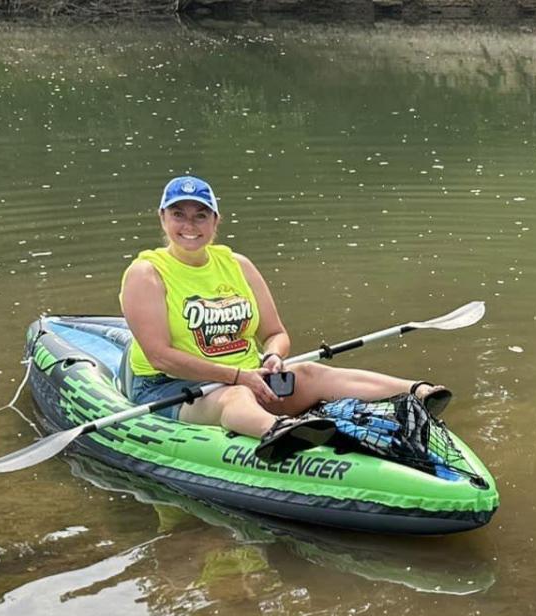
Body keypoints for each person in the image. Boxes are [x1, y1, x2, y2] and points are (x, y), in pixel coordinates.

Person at [120, 175, 451, 459]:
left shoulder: (238, 265)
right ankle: (280, 431)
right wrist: (238, 377)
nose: (189, 225)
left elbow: (275, 333)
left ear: (216, 221)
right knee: (236, 396)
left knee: (309, 372)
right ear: (162, 218)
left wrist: (273, 356)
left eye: (200, 215)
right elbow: (161, 357)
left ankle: (416, 392)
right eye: (178, 214)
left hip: (250, 374)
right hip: (172, 387)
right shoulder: (146, 273)